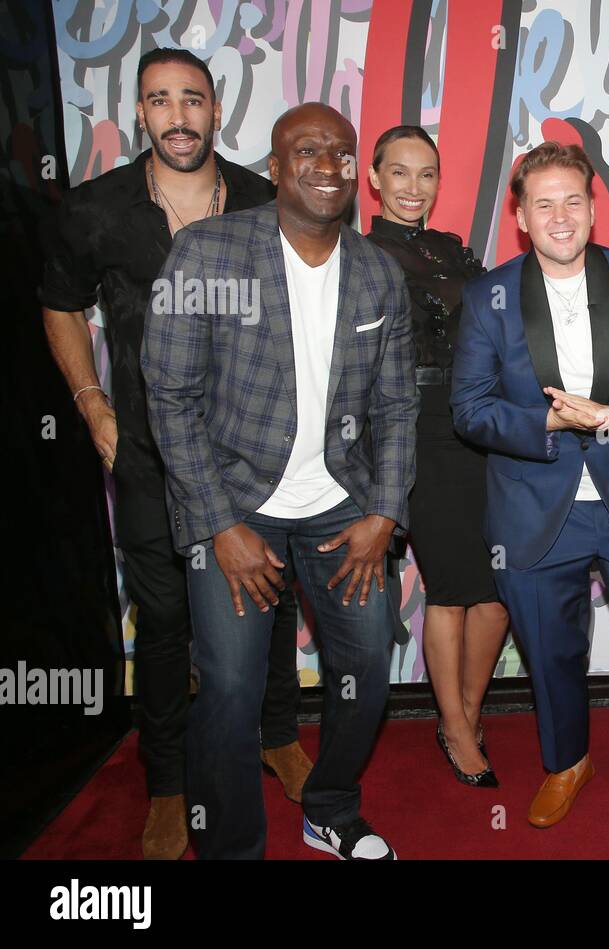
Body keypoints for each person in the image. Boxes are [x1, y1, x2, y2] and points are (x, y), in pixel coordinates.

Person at [39, 46, 312, 860]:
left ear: (215, 109)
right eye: (160, 100)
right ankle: (166, 781)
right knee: (162, 621)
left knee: (270, 599)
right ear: (140, 114)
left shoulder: (267, 199)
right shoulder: (94, 208)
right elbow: (59, 306)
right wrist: (93, 407)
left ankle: (277, 735)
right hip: (150, 456)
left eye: (191, 99)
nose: (178, 115)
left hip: (256, 454)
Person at [141, 102, 418, 859]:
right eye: (307, 151)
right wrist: (218, 524)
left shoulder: (378, 274)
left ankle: (328, 806)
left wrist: (384, 513)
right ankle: (231, 847)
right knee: (229, 686)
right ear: (273, 166)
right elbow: (169, 395)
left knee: (367, 665)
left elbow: (397, 404)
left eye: (340, 152)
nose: (326, 165)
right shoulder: (207, 253)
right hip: (235, 506)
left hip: (343, 511)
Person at [451, 142, 609, 830]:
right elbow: (468, 407)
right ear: (521, 217)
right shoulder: (488, 297)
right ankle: (566, 761)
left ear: (593, 209)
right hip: (536, 508)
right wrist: (549, 421)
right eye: (543, 204)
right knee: (549, 648)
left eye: (572, 200)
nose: (559, 216)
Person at [365, 126, 509, 787]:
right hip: (417, 431)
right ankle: (455, 726)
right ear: (373, 177)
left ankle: (465, 711)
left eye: (426, 174)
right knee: (451, 588)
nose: (412, 187)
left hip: (483, 427)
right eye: (399, 173)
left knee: (499, 587)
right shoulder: (358, 255)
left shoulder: (453, 248)